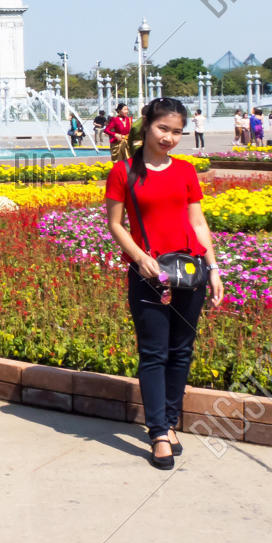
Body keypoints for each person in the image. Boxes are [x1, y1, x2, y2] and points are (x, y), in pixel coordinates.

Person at [104, 98, 224, 470]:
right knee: (154, 353)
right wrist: (139, 257)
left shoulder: (186, 170)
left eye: (177, 131)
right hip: (149, 275)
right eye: (163, 129)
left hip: (189, 274)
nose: (170, 138)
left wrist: (214, 267)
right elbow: (115, 224)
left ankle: (171, 421)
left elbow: (198, 222)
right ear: (146, 126)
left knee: (182, 351)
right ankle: (158, 431)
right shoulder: (124, 171)